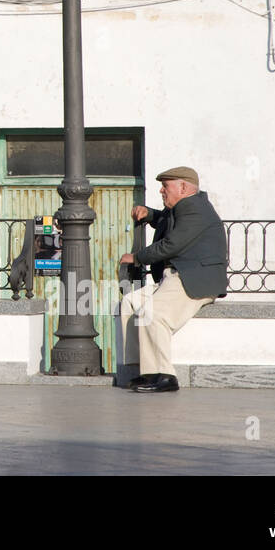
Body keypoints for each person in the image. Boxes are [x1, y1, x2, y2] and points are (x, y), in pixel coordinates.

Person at [117, 166, 228, 392]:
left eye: (165, 186)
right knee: (131, 302)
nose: (161, 190)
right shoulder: (183, 208)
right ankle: (144, 370)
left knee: (153, 314)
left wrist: (137, 257)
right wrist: (148, 214)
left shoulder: (195, 208)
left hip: (192, 278)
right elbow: (165, 220)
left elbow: (173, 244)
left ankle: (165, 376)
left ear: (183, 187)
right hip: (175, 277)